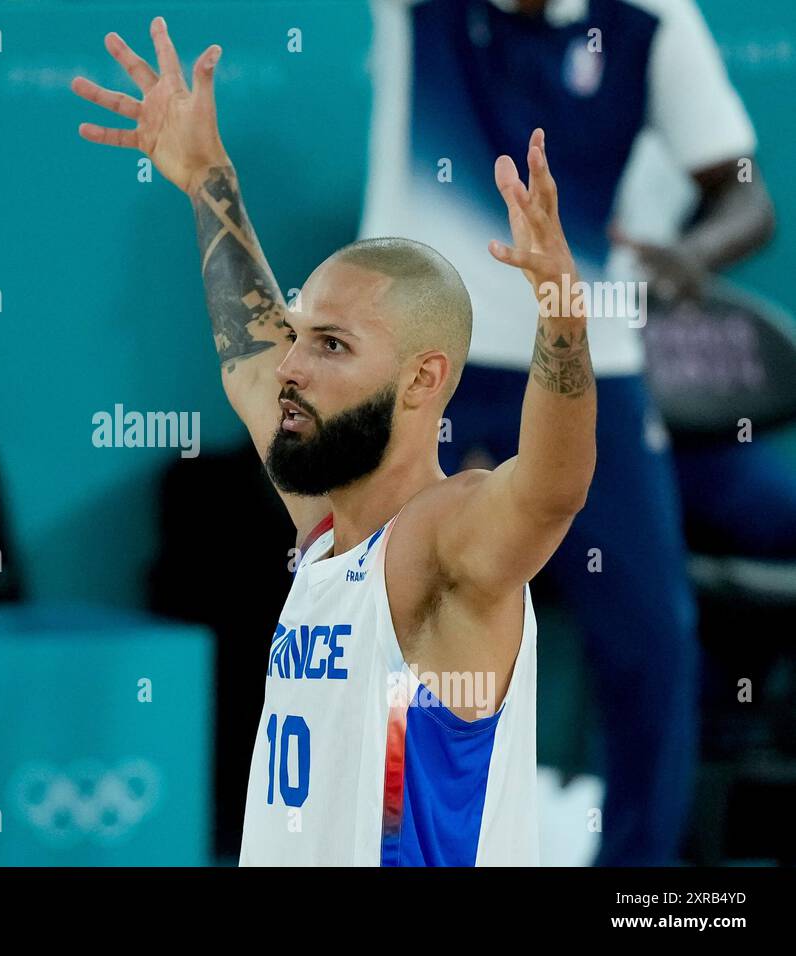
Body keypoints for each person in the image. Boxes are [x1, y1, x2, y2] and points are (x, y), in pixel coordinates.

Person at [73, 16, 595, 865]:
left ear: (424, 381)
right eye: (300, 332)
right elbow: (248, 357)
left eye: (331, 345)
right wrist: (207, 177)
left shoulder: (444, 540)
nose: (292, 366)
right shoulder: (324, 532)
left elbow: (552, 489)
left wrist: (565, 324)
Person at [359, 0, 778, 864]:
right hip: (427, 350)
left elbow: (746, 199)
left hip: (587, 359)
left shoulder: (654, 21)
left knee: (654, 649)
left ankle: (640, 878)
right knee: (378, 630)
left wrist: (693, 258)